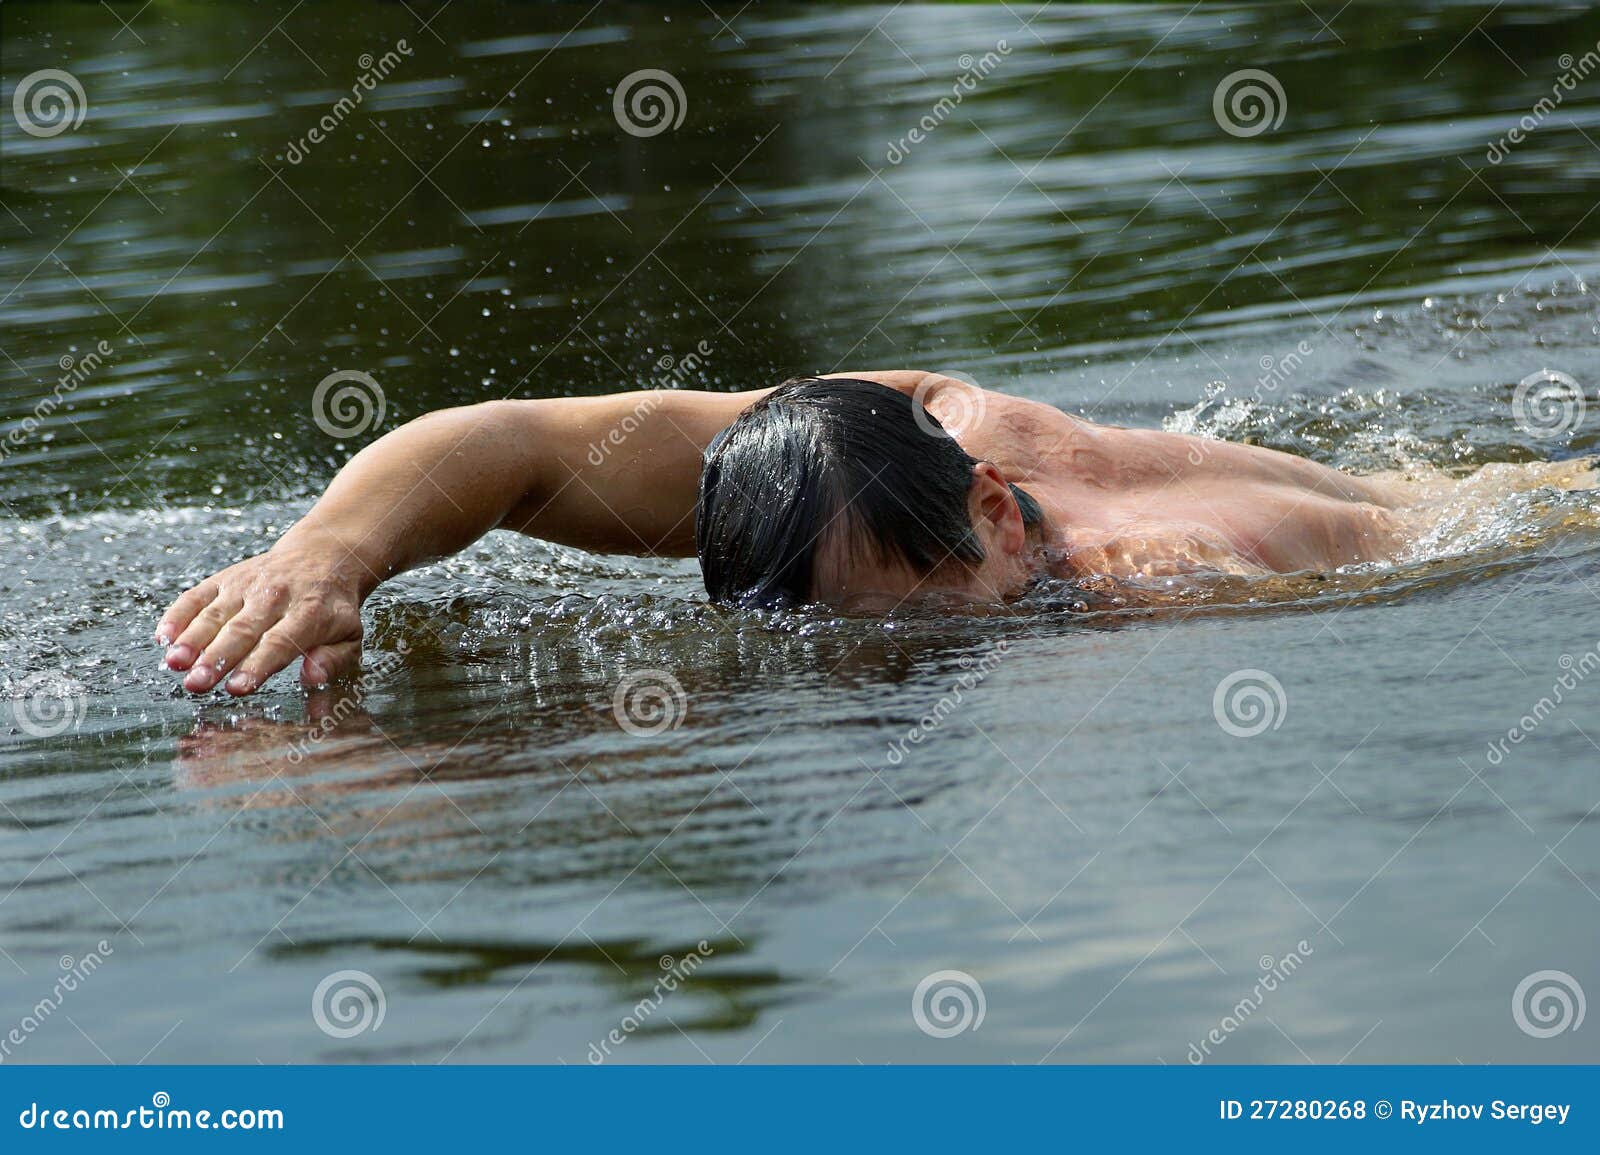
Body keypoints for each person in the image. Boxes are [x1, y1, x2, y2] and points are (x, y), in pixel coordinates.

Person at [155, 369, 1420, 697]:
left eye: (918, 638)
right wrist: (327, 555)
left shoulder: (1169, 576)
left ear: (994, 514)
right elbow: (510, 437)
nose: (873, 668)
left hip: (1419, 512)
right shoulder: (871, 434)